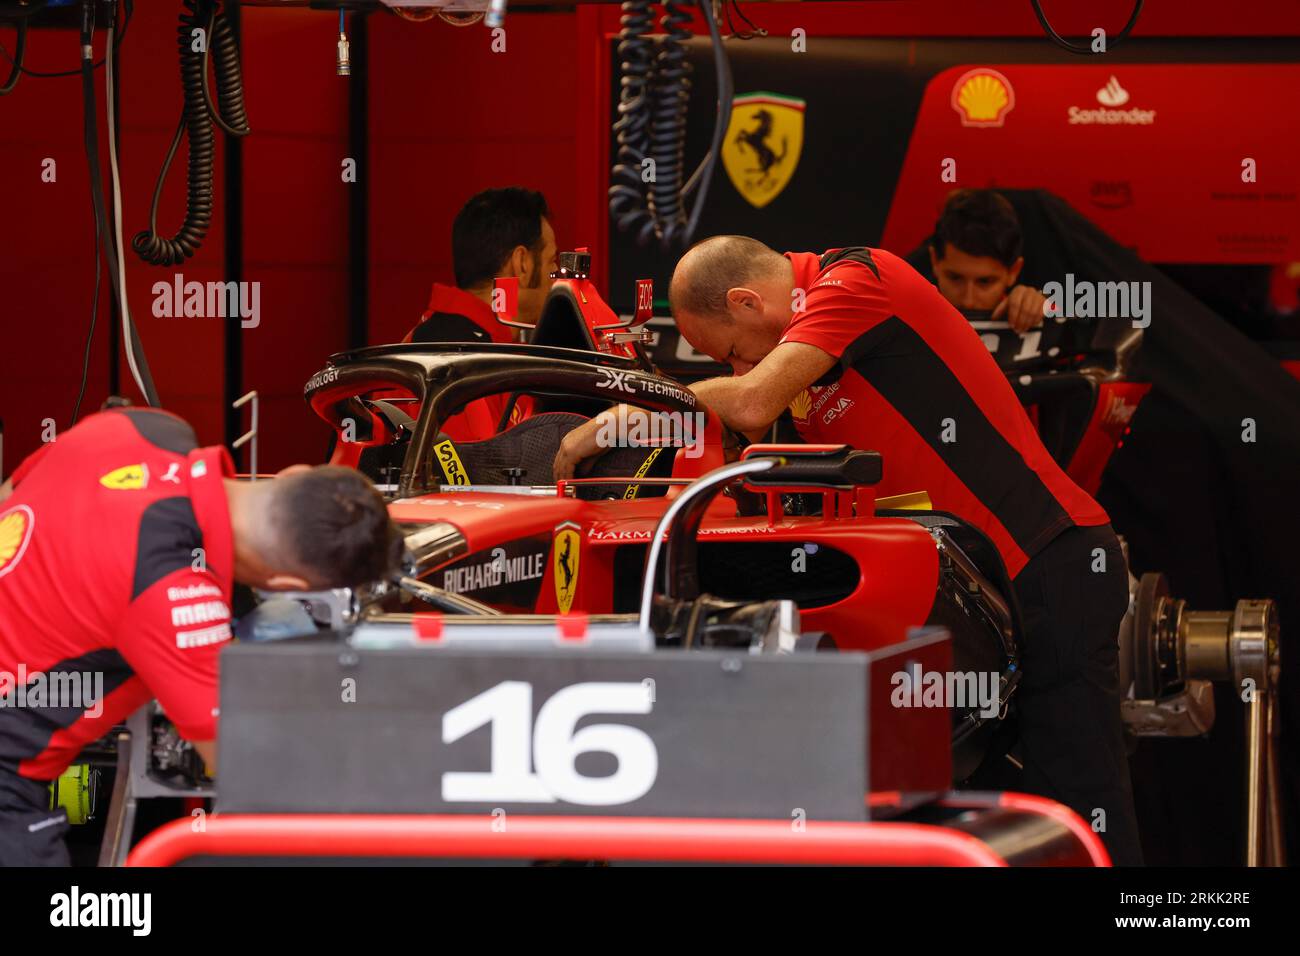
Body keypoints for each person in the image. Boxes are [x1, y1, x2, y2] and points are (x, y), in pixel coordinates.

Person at [554, 235, 1143, 865]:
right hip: (969, 603)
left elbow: (751, 404)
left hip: (1048, 565)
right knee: (989, 830)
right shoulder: (804, 349)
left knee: (1085, 823)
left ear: (748, 302)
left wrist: (615, 418)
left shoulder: (855, 280)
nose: (733, 369)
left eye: (729, 351)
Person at [0, 407, 401, 865]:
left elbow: (13, 495)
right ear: (289, 587)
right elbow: (254, 778)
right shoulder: (176, 595)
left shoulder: (142, 427)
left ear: (293, 473)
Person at [402, 187, 557, 441]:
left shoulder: (436, 337)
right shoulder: (468, 364)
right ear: (523, 264)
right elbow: (474, 477)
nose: (557, 275)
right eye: (552, 260)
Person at [917, 189, 1048, 334]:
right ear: (934, 261)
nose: (968, 301)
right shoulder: (903, 323)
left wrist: (1045, 312)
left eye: (985, 282)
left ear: (1013, 271)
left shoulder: (1040, 318)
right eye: (955, 278)